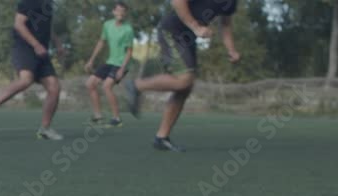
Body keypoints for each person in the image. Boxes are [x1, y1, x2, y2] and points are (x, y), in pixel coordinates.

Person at [125, 0, 240, 152]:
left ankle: (161, 138)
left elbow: (225, 25)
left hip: (188, 38)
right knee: (184, 79)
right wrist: (196, 27)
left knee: (185, 87)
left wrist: (231, 49)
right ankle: (137, 85)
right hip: (171, 31)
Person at [0, 0, 65, 141]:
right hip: (25, 48)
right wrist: (36, 44)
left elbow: (48, 27)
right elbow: (18, 24)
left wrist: (58, 43)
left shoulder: (48, 4)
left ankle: (45, 129)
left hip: (41, 51)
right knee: (26, 79)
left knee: (54, 87)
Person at [84, 2, 135, 128]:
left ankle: (117, 119)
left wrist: (122, 69)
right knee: (90, 84)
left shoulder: (128, 29)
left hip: (122, 63)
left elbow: (129, 51)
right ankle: (98, 115)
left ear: (126, 13)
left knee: (107, 86)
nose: (121, 13)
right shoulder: (107, 25)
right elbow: (101, 42)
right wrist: (91, 60)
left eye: (123, 11)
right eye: (118, 10)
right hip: (110, 61)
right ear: (114, 12)